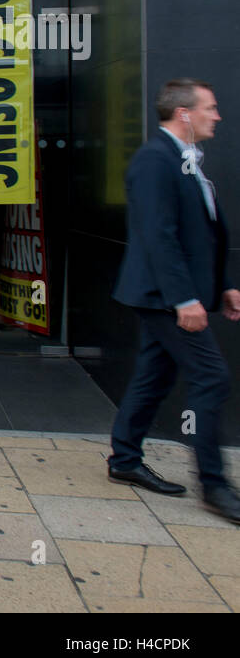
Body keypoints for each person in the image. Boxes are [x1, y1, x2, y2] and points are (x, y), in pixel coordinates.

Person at [109, 78, 240, 524]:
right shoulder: (154, 160)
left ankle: (125, 459)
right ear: (184, 113)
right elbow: (158, 236)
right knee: (213, 378)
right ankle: (215, 486)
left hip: (178, 294)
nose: (217, 116)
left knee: (153, 376)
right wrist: (184, 299)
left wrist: (223, 283)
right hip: (162, 297)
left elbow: (201, 231)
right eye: (210, 107)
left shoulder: (186, 160)